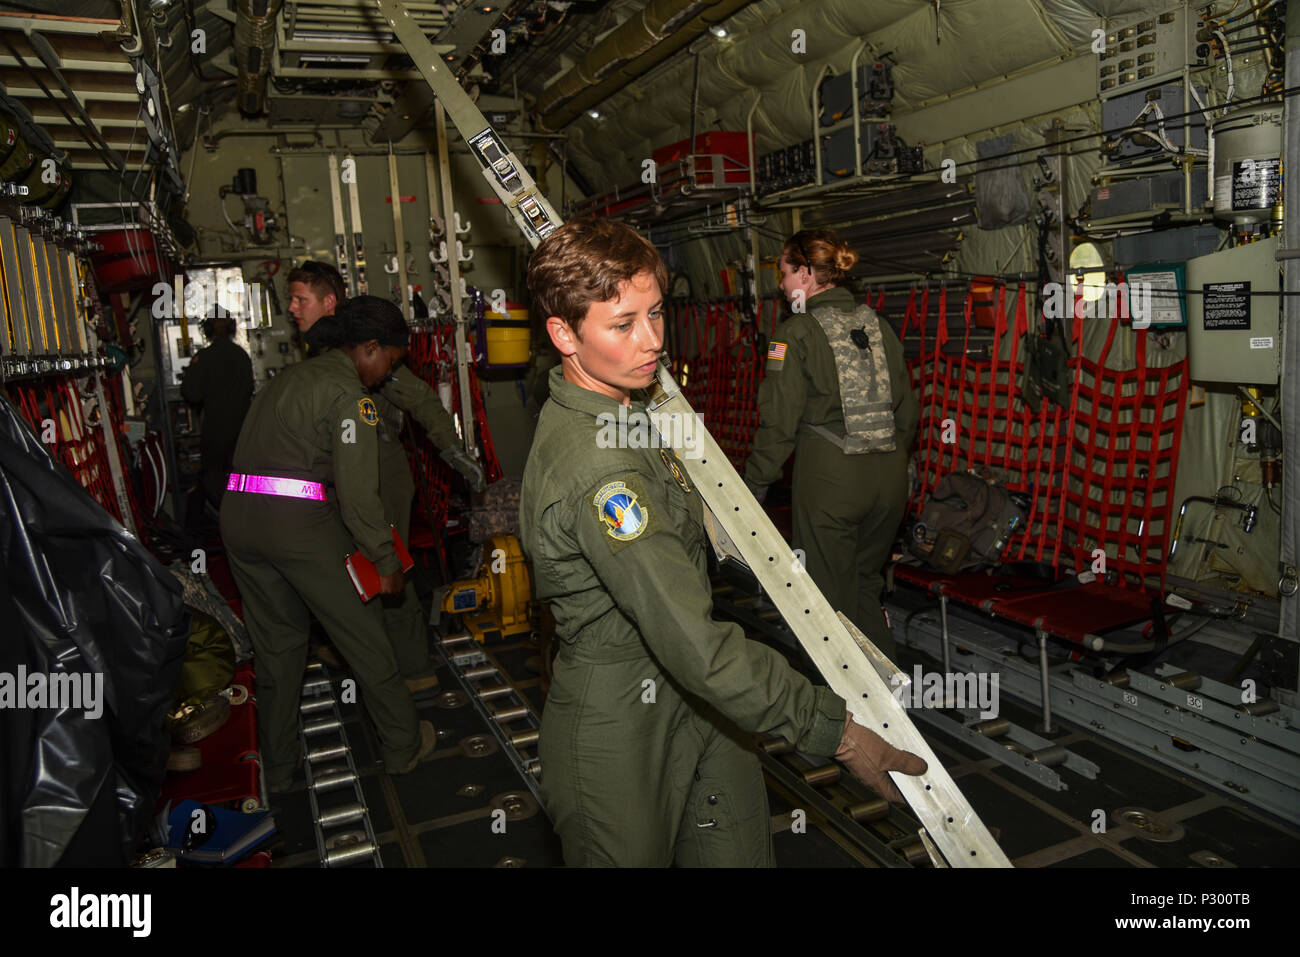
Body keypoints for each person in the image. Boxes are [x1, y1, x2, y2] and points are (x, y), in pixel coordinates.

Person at [519, 218, 926, 867]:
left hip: (705, 708)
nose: (651, 341)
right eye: (622, 324)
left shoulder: (634, 408)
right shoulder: (600, 470)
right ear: (564, 334)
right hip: (623, 721)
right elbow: (696, 644)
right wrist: (840, 733)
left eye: (656, 313)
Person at [219, 296, 436, 793]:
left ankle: (276, 767)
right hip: (296, 525)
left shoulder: (292, 377)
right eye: (390, 362)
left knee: (277, 649)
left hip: (238, 520)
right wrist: (385, 560)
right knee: (364, 636)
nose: (384, 376)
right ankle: (403, 746)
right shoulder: (349, 395)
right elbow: (359, 495)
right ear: (370, 348)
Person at [287, 261, 485, 692]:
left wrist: (452, 450)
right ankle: (359, 648)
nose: (292, 309)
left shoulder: (367, 348)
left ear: (329, 302)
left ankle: (414, 667)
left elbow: (419, 399)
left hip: (378, 477)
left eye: (301, 299)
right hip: (341, 477)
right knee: (348, 568)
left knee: (386, 566)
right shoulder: (325, 352)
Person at [744, 228, 919, 663]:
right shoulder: (878, 325)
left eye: (785, 273)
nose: (782, 286)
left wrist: (754, 486)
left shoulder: (793, 333)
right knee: (864, 586)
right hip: (890, 480)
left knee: (827, 605)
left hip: (832, 481)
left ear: (805, 273)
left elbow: (778, 423)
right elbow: (908, 411)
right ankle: (890, 703)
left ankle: (846, 714)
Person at [179, 314, 253, 510]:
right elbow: (249, 389)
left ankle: (223, 518)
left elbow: (191, 393)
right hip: (243, 431)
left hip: (216, 432)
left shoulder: (204, 357)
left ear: (208, 330)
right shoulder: (241, 355)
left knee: (214, 481)